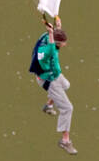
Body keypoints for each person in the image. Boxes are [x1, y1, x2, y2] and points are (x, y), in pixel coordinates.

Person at [29, 20, 77, 153]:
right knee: (68, 108)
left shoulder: (46, 39)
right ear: (57, 44)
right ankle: (65, 141)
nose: (65, 44)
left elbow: (51, 37)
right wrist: (52, 31)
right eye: (63, 43)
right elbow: (51, 47)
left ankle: (49, 105)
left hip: (55, 75)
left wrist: (56, 28)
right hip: (50, 80)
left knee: (66, 85)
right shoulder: (49, 50)